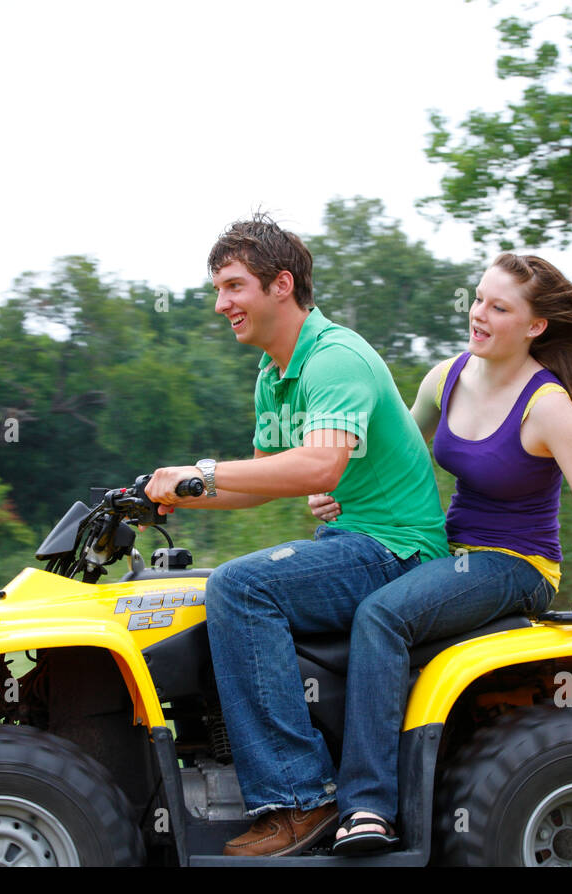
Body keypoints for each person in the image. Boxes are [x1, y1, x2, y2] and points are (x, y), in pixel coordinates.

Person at [309, 252, 572, 853]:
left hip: (514, 564)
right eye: (477, 299)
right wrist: (333, 484)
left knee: (383, 616)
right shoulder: (446, 377)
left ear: (535, 326)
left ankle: (366, 809)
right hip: (442, 550)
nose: (479, 315)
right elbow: (389, 450)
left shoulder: (546, 406)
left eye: (499, 307)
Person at [144, 214, 449, 857]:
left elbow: (318, 466)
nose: (221, 304)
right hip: (352, 540)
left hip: (397, 548)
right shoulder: (273, 373)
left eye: (233, 287)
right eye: (218, 289)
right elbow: (258, 481)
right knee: (201, 587)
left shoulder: (334, 358)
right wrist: (171, 495)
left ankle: (303, 800)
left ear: (281, 285)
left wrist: (199, 472)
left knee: (241, 587)